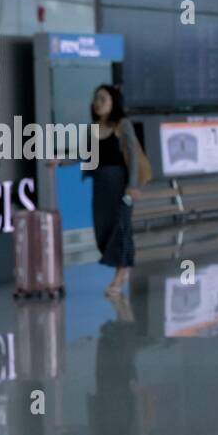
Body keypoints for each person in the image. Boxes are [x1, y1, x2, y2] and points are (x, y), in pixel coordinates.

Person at [87, 84, 140, 297]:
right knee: (103, 230)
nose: (98, 103)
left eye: (103, 99)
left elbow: (133, 156)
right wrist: (61, 161)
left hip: (120, 186)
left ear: (113, 103)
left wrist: (132, 186)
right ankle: (122, 266)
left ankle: (121, 273)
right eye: (96, 98)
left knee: (121, 228)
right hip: (100, 187)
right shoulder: (93, 129)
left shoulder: (123, 125)